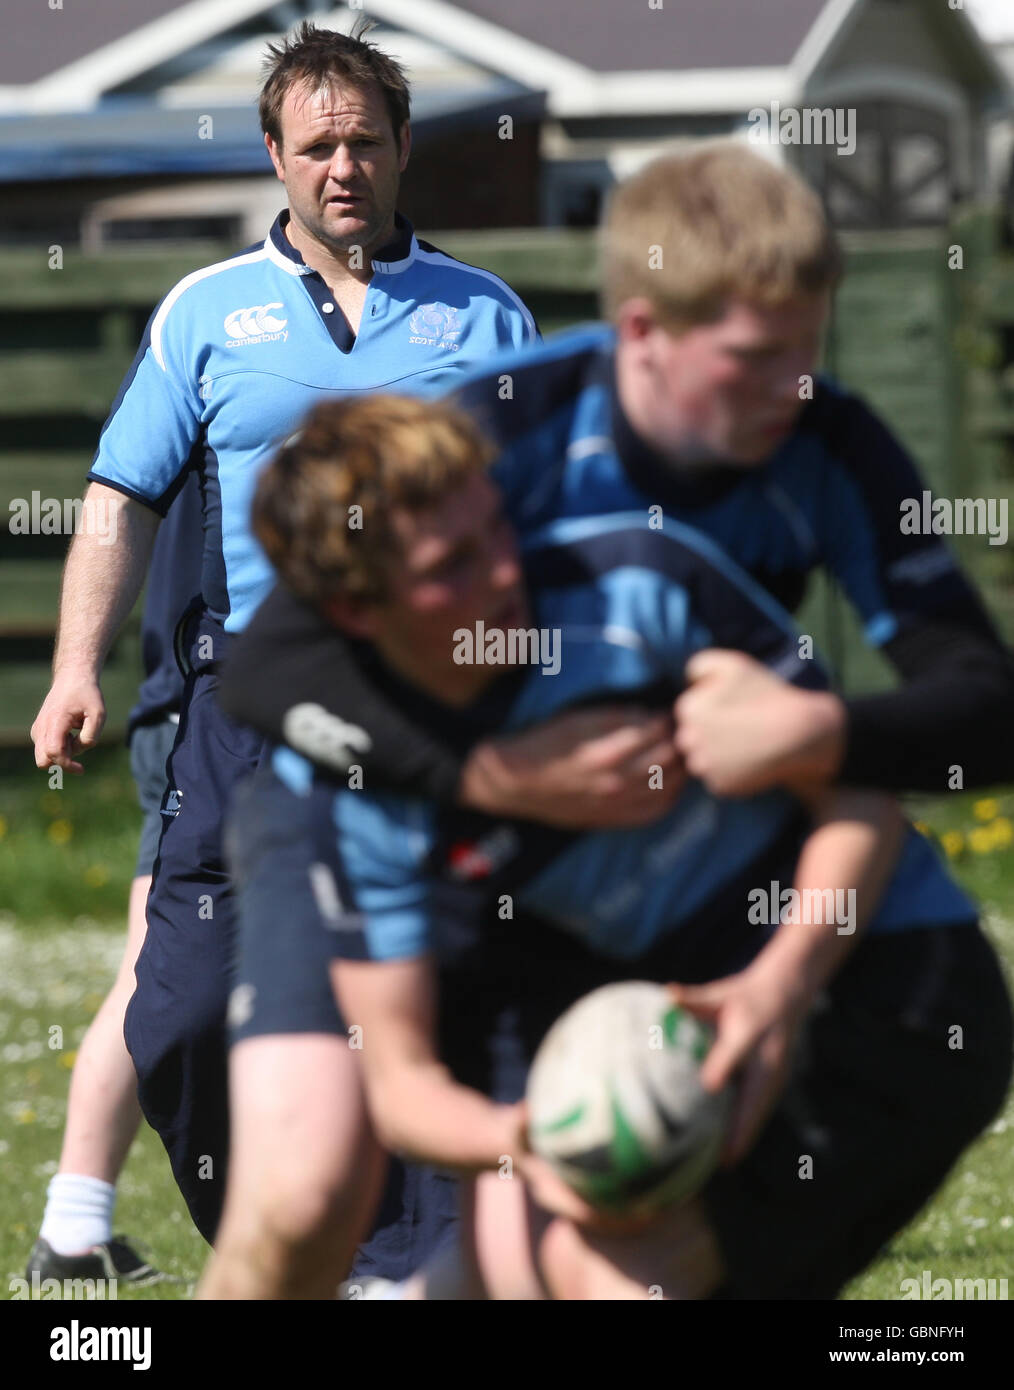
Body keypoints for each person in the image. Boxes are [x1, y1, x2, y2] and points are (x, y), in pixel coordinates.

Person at [219, 392, 1011, 1298]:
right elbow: (402, 1087)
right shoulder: (363, 798)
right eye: (454, 564)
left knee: (596, 1276)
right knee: (534, 1268)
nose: (504, 573)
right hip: (666, 1018)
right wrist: (524, 1137)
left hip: (880, 988)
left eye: (496, 530)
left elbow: (858, 794)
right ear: (356, 614)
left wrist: (776, 984)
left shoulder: (639, 584)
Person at [28, 18, 538, 1269]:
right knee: (185, 1005)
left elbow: (541, 521)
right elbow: (117, 497)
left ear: (406, 147)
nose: (344, 167)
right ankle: (269, 1231)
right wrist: (74, 667)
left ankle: (392, 1266)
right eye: (318, 146)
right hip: (245, 709)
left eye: (366, 141)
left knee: (429, 996)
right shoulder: (206, 313)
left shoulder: (487, 316)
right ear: (274, 155)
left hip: (428, 711)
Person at [224, 141, 1014, 813]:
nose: (797, 385)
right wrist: (493, 778)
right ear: (643, 330)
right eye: (756, 358)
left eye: (810, 346)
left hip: (690, 832)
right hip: (490, 831)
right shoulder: (500, 428)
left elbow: (988, 706)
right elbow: (268, 671)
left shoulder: (834, 443)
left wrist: (816, 732)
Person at [25, 472, 202, 1287]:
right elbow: (115, 504)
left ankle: (73, 1230)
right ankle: (71, 1229)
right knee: (154, 973)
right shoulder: (199, 345)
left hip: (207, 707)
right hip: (202, 712)